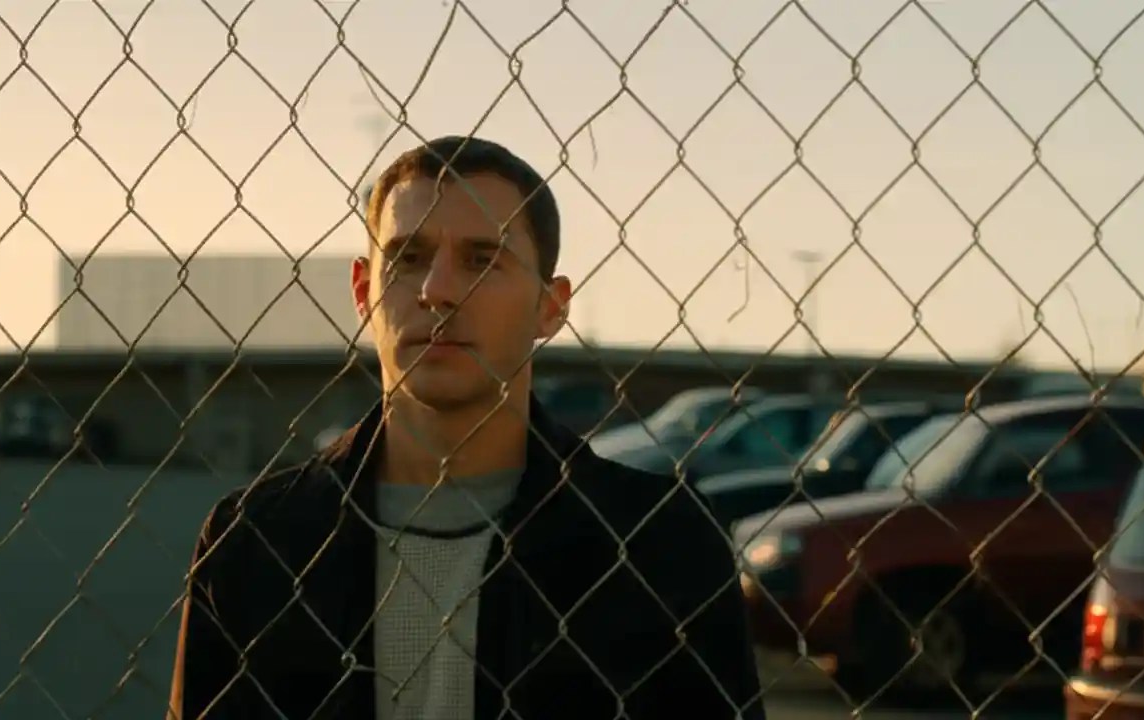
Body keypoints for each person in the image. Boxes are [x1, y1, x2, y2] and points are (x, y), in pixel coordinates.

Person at [167, 135, 766, 719]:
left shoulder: (660, 546)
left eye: (483, 260)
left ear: (550, 307)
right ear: (362, 291)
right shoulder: (253, 542)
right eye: (409, 259)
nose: (438, 291)